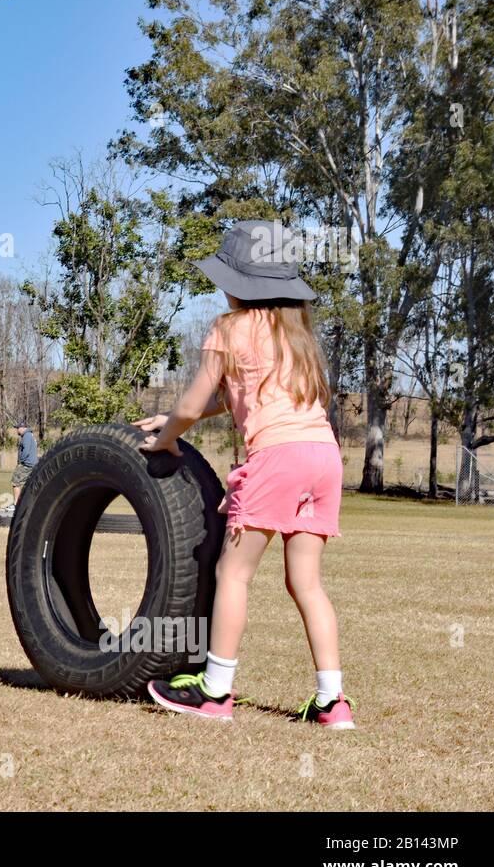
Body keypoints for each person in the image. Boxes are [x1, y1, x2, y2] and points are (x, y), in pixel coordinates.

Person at [136, 220, 353, 729]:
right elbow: (248, 396)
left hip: (275, 457)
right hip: (323, 457)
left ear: (237, 284)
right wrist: (172, 420)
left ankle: (215, 693)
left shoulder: (229, 329)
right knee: (307, 584)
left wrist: (168, 435)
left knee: (232, 573)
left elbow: (193, 400)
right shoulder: (296, 335)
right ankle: (332, 702)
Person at [12, 420, 38, 504]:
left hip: (26, 464)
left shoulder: (26, 436)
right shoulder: (30, 435)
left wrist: (20, 461)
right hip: (32, 464)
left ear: (23, 428)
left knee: (16, 481)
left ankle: (16, 504)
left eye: (18, 428)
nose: (17, 430)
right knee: (29, 485)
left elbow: (26, 451)